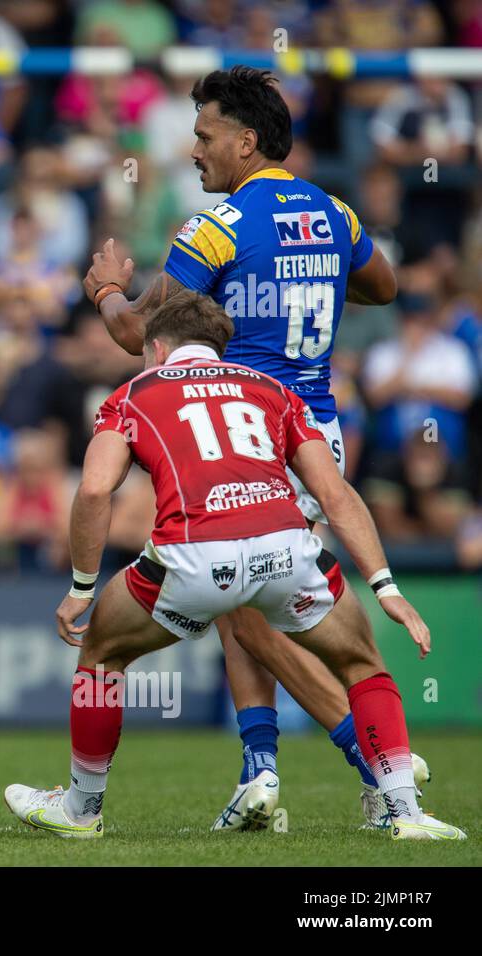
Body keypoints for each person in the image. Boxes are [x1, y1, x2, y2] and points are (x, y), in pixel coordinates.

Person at [82, 66, 414, 831]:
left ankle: (369, 761)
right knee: (247, 602)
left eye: (204, 136)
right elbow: (386, 288)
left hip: (244, 428)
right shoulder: (335, 213)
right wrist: (317, 287)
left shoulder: (217, 228)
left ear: (246, 140)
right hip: (318, 427)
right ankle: (260, 769)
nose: (194, 150)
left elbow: (140, 335)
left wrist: (103, 288)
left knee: (255, 601)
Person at [4, 293, 466, 842]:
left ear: (156, 347)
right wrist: (386, 586)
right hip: (285, 551)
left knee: (102, 657)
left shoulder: (131, 395)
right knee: (363, 665)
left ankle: (81, 810)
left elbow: (97, 489)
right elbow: (335, 494)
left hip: (194, 558)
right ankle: (406, 813)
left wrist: (81, 587)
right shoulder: (273, 390)